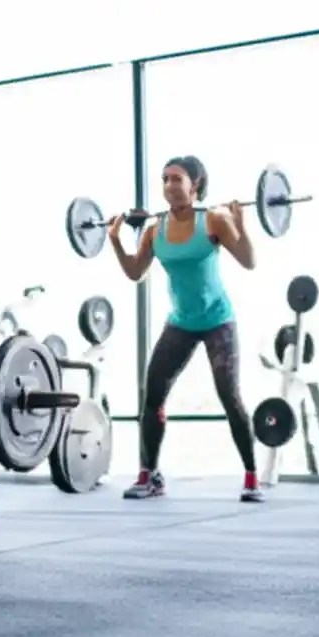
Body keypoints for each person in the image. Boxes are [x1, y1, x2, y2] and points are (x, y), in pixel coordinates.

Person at [106, 155, 260, 502]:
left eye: (177, 179)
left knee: (229, 396)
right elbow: (134, 272)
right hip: (181, 322)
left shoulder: (214, 220)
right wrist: (115, 240)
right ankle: (149, 475)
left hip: (218, 320)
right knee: (153, 394)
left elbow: (249, 261)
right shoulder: (153, 230)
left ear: (196, 186)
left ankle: (252, 477)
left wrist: (241, 224)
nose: (170, 186)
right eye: (165, 179)